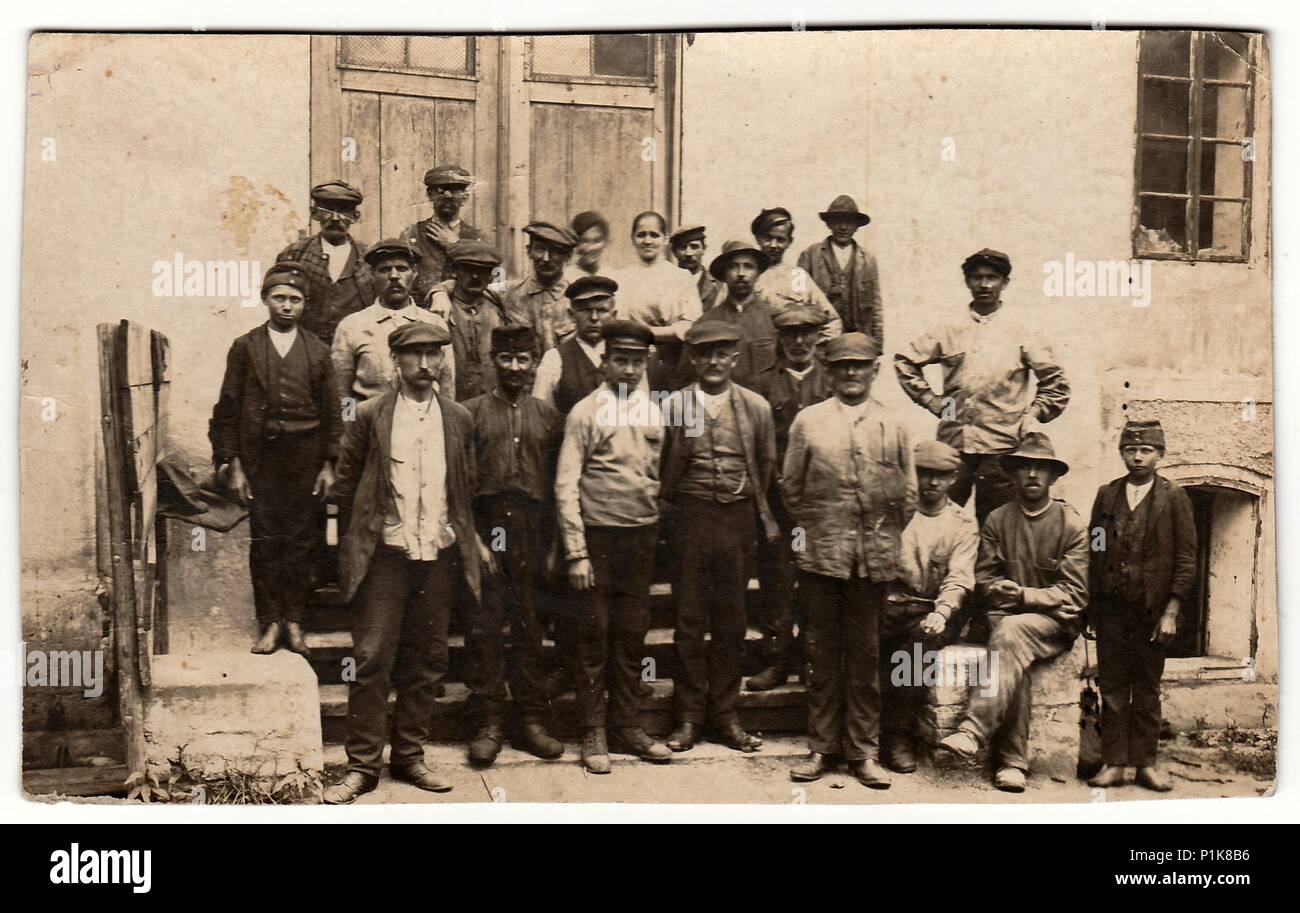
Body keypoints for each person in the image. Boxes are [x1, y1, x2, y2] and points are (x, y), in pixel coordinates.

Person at [323, 322, 493, 804]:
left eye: (433, 355)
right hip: (385, 556)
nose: (424, 365)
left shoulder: (458, 418)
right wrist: (350, 545)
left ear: (442, 361)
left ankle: (411, 756)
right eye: (413, 355)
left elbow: (468, 485)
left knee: (428, 659)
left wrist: (468, 537)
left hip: (436, 556)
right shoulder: (369, 414)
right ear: (394, 362)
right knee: (371, 657)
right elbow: (346, 484)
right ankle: (361, 766)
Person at [783, 333, 914, 790]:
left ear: (874, 370)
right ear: (829, 371)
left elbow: (908, 496)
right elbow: (791, 490)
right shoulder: (809, 421)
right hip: (823, 558)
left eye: (859, 366)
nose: (851, 374)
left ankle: (863, 752)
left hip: (874, 561)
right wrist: (822, 534)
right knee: (821, 653)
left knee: (865, 656)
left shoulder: (894, 423)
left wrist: (881, 540)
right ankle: (820, 748)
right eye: (842, 367)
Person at [937, 432, 1088, 793]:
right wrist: (994, 589)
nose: (1032, 475)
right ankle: (1011, 765)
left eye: (1041, 469)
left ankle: (972, 730)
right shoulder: (997, 519)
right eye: (1024, 468)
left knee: (1010, 633)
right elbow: (984, 576)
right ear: (1013, 475)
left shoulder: (1071, 524)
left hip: (1055, 623)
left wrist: (1023, 595)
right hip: (1007, 621)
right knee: (1010, 643)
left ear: (1054, 477)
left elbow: (1074, 594)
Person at [555, 318, 672, 773]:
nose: (627, 370)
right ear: (604, 363)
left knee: (631, 634)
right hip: (598, 539)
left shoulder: (653, 410)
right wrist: (577, 551)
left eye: (636, 362)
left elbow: (652, 475)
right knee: (593, 635)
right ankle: (593, 732)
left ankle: (629, 726)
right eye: (619, 360)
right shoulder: (585, 412)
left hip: (639, 538)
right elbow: (566, 483)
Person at [210, 262, 340, 657]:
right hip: (261, 459)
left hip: (305, 458)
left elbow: (333, 413)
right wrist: (232, 462)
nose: (287, 306)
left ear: (305, 305)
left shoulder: (317, 351)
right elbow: (228, 408)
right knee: (265, 541)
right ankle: (269, 623)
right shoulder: (245, 347)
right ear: (265, 299)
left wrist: (328, 464)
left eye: (295, 300)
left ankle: (295, 622)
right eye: (279, 298)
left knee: (302, 541)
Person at [659, 321, 776, 754]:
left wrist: (744, 502)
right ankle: (688, 716)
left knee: (731, 621)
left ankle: (725, 715)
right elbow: (662, 464)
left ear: (735, 358)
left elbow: (765, 466)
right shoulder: (674, 405)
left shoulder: (755, 407)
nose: (713, 361)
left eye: (722, 353)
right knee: (689, 620)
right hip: (689, 518)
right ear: (692, 358)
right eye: (704, 353)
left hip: (737, 519)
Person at [894, 248, 1069, 524]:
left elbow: (1057, 385)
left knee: (997, 527)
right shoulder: (949, 328)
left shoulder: (1021, 331)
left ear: (1005, 283)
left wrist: (1032, 416)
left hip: (1002, 448)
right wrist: (932, 401)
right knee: (939, 520)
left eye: (992, 278)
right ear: (967, 282)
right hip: (954, 446)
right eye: (977, 278)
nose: (984, 285)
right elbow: (904, 361)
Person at [461, 324, 566, 767]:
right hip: (489, 525)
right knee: (485, 628)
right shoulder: (471, 414)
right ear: (493, 361)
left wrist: (554, 545)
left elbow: (563, 484)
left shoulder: (549, 417)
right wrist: (475, 543)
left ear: (534, 363)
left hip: (533, 526)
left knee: (529, 625)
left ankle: (530, 721)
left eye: (524, 359)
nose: (516, 367)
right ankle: (488, 722)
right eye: (507, 358)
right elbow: (460, 485)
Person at [1086, 420, 1196, 792]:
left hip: (1152, 612)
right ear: (1121, 453)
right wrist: (1092, 608)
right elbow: (1096, 549)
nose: (1137, 456)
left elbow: (1186, 558)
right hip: (1113, 610)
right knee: (1113, 687)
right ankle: (1114, 763)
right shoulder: (1106, 495)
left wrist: (1171, 610)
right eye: (1130, 450)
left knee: (1147, 688)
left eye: (1146, 450)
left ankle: (1146, 764)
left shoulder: (1174, 497)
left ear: (1160, 455)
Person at [745, 306, 832, 692]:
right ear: (779, 337)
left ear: (818, 336)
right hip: (778, 503)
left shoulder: (832, 382)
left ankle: (814, 661)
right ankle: (777, 659)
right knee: (777, 580)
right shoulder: (761, 385)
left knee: (818, 582)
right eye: (791, 334)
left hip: (823, 504)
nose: (799, 342)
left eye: (807, 333)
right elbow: (754, 448)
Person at [880, 439, 978, 773]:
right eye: (924, 473)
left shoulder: (962, 524)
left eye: (941, 475)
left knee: (915, 652)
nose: (932, 483)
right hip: (891, 602)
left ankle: (897, 736)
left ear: (954, 478)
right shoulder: (897, 513)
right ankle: (856, 736)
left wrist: (942, 611)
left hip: (932, 610)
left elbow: (959, 577)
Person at [330, 238, 454, 410]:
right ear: (372, 275)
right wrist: (351, 430)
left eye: (402, 269)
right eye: (384, 270)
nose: (394, 276)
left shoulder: (434, 323)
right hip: (371, 428)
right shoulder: (351, 327)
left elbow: (447, 387)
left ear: (415, 273)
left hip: (424, 426)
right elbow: (342, 392)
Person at [276, 180, 377, 345]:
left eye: (344, 211)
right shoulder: (295, 254)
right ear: (314, 213)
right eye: (328, 210)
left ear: (355, 217)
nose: (335, 218)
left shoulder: (369, 258)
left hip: (355, 347)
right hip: (306, 348)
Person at [610, 211, 703, 389]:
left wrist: (646, 332)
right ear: (632, 239)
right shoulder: (622, 277)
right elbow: (619, 323)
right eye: (641, 235)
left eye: (654, 235)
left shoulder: (682, 277)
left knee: (675, 414)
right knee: (633, 413)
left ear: (666, 238)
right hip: (632, 364)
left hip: (675, 364)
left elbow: (690, 326)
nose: (647, 241)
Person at [691, 240, 781, 390]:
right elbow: (687, 379)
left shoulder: (775, 319)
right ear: (724, 275)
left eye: (748, 267)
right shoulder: (705, 322)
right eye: (733, 267)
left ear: (758, 274)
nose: (741, 274)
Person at [428, 240, 510, 402]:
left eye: (483, 271)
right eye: (469, 269)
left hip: (492, 402)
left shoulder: (497, 309)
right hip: (452, 402)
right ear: (455, 270)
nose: (475, 276)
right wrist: (439, 293)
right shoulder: (440, 309)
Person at [796, 194, 882, 347]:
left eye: (849, 222)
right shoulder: (808, 255)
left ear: (856, 226)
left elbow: (876, 307)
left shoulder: (868, 260)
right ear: (829, 224)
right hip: (822, 340)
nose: (843, 227)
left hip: (858, 340)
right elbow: (797, 300)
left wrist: (877, 346)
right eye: (837, 220)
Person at [399, 164, 486, 303]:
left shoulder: (479, 238)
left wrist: (455, 246)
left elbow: (491, 284)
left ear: (464, 197)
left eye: (455, 190)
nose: (447, 195)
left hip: (466, 313)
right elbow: (401, 280)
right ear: (430, 195)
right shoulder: (412, 234)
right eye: (441, 190)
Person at [750, 206, 841, 339]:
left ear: (789, 242)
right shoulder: (747, 274)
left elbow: (833, 321)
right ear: (758, 238)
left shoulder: (796, 276)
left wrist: (814, 348)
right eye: (768, 238)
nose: (773, 245)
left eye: (780, 240)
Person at [504, 220, 577, 352]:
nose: (546, 258)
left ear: (568, 256)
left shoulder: (577, 300)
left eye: (556, 251)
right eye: (539, 249)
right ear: (529, 251)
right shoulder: (509, 295)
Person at [669, 224, 722, 310]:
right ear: (674, 252)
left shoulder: (719, 285)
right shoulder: (665, 282)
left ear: (704, 249)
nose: (688, 253)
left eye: (694, 247)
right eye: (682, 247)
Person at [564, 210, 610, 283]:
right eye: (585, 241)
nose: (591, 248)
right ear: (576, 243)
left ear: (605, 241)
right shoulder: (566, 278)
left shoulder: (611, 275)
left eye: (597, 241)